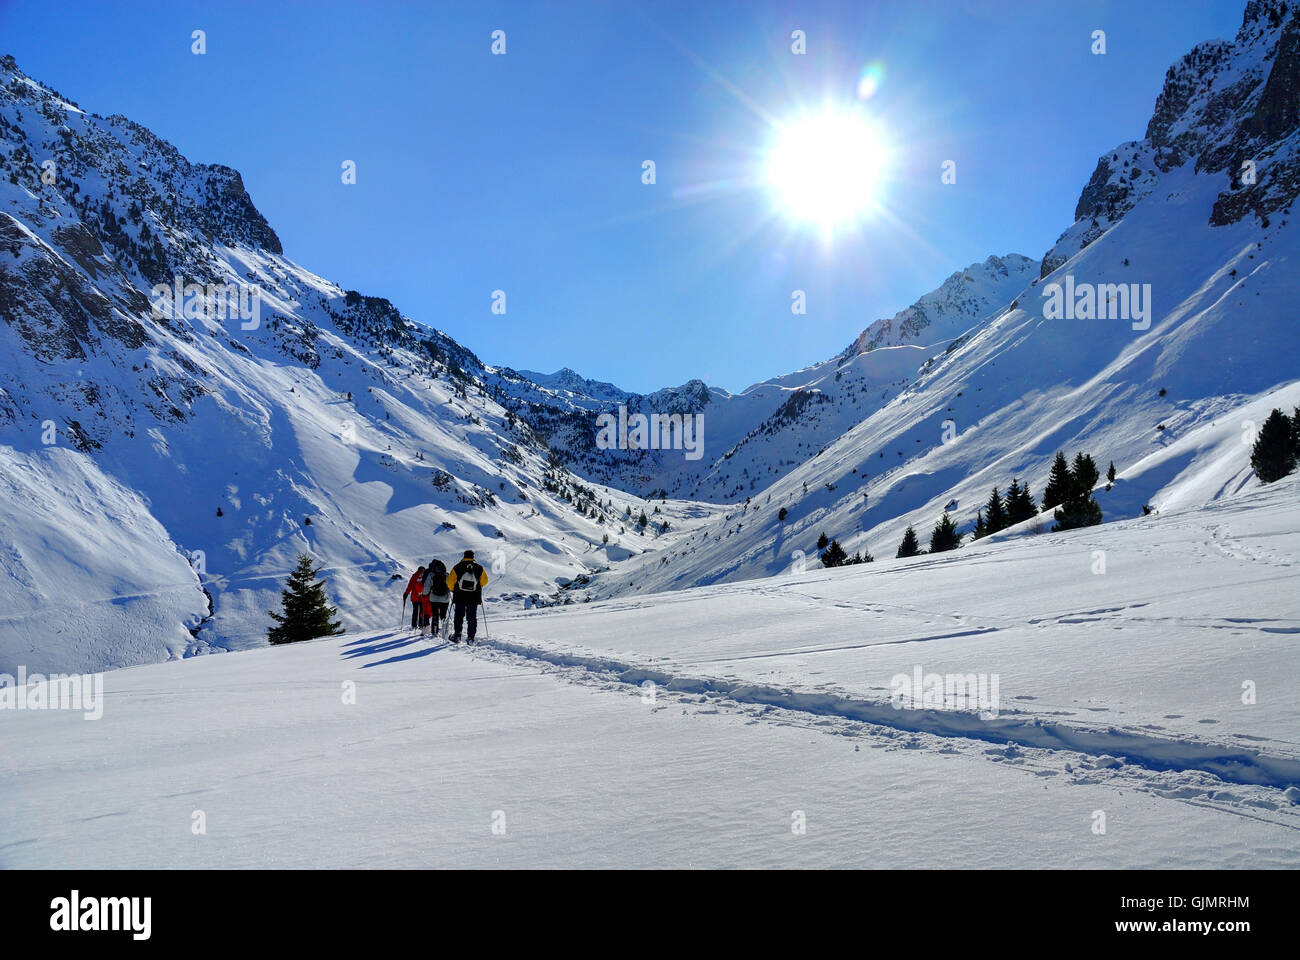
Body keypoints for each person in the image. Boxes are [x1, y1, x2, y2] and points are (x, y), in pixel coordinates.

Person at [446, 549, 488, 643]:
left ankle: (457, 636)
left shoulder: (457, 567)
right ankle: (471, 638)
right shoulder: (479, 567)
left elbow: (449, 582)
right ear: (473, 557)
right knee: (472, 617)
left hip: (459, 596)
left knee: (459, 616)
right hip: (474, 597)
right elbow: (484, 582)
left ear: (464, 556)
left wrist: (453, 589)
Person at [422, 558, 450, 637]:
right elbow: (451, 586)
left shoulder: (431, 574)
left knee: (435, 615)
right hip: (445, 599)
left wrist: (424, 594)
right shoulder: (447, 575)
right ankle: (445, 631)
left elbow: (427, 586)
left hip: (434, 598)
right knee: (443, 615)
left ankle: (434, 631)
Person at [403, 566, 427, 630]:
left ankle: (414, 625)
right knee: (422, 611)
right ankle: (421, 624)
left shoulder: (414, 575)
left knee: (415, 611)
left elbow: (410, 586)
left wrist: (406, 593)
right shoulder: (425, 576)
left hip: (414, 597)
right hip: (423, 596)